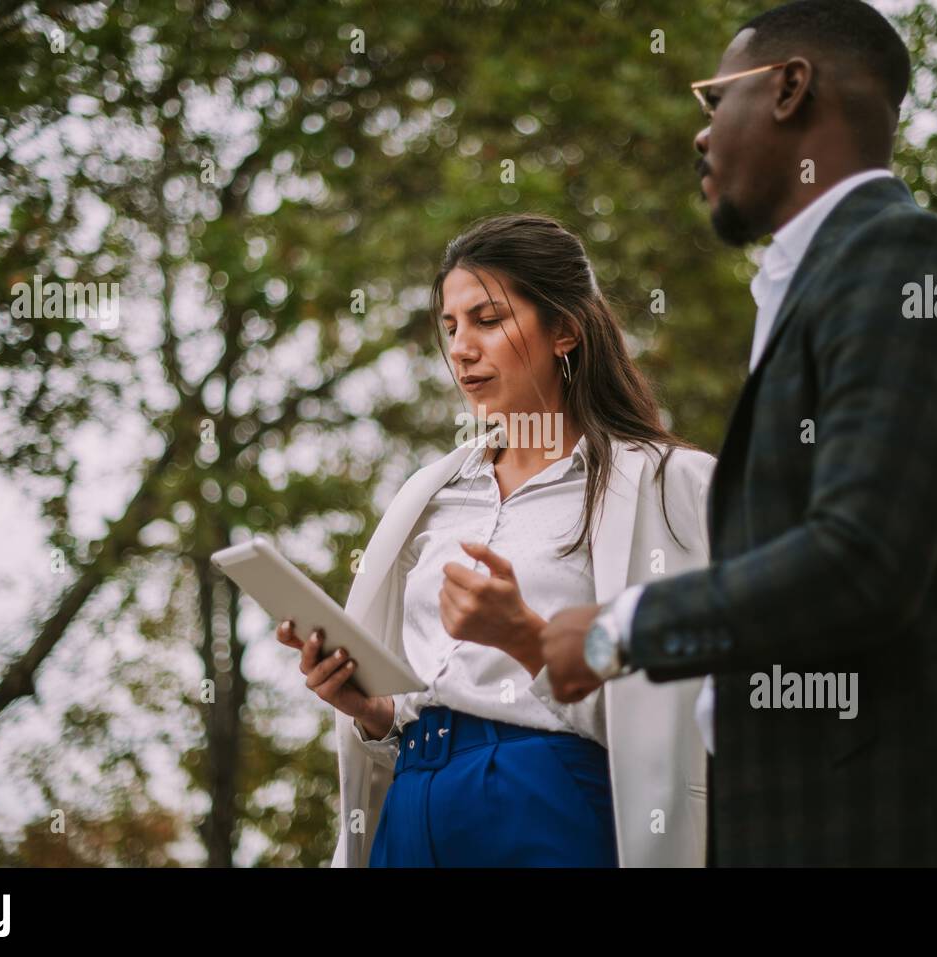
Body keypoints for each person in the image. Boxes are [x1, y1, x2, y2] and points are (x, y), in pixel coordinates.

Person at [539, 0, 937, 866]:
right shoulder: (817, 287)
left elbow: (860, 560)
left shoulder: (907, 262)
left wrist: (617, 629)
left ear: (789, 88)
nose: (701, 135)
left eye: (716, 100)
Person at [278, 213, 715, 866]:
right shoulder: (430, 495)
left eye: (487, 319)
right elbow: (420, 698)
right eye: (450, 327)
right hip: (414, 799)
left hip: (548, 799)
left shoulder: (670, 484)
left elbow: (687, 706)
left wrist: (526, 638)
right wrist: (373, 710)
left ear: (565, 329)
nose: (460, 346)